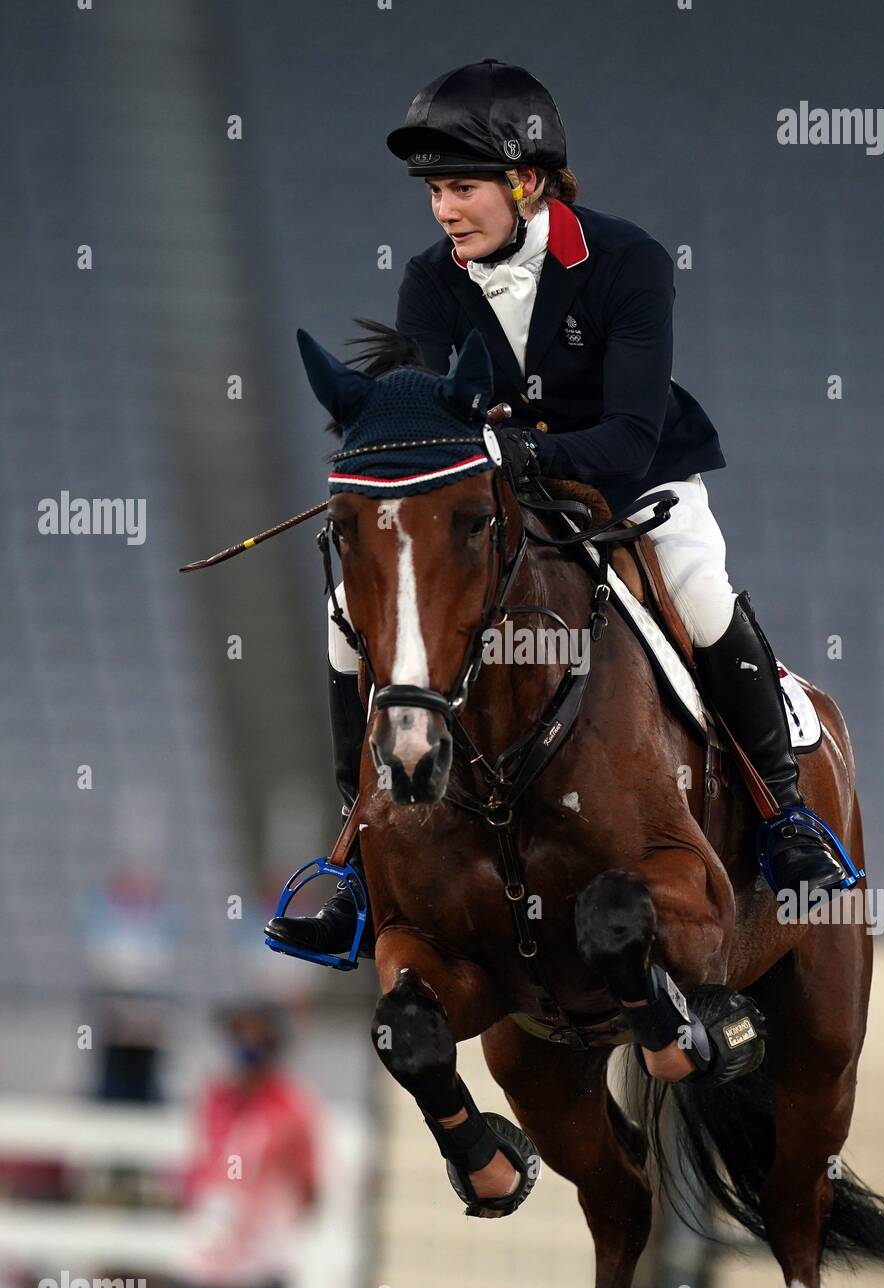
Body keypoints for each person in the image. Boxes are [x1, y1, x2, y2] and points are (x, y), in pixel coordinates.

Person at [279, 58, 846, 956]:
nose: (443, 211)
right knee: (347, 620)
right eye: (434, 192)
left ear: (526, 181)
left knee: (699, 592)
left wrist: (512, 449)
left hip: (633, 483)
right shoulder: (431, 282)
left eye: (461, 188)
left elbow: (625, 435)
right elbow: (441, 418)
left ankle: (782, 817)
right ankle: (356, 850)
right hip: (503, 498)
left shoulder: (627, 262)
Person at [173, 1002, 318, 1288]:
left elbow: (308, 1186)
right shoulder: (216, 1098)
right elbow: (200, 1164)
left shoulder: (293, 1107)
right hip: (207, 1260)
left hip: (259, 1265)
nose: (247, 1045)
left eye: (257, 1037)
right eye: (242, 1035)